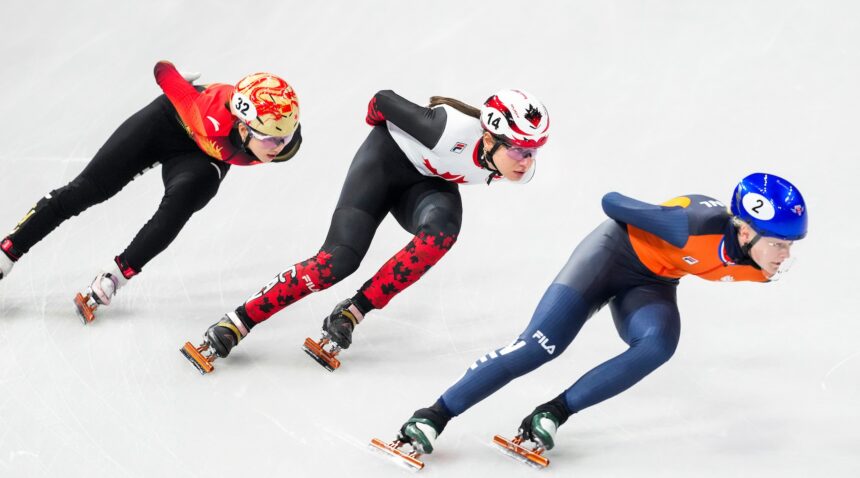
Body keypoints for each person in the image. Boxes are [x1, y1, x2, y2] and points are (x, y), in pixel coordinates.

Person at [385, 173, 807, 462]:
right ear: (746, 231)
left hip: (653, 283)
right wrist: (660, 222)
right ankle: (432, 415)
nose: (785, 256)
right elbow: (612, 203)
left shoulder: (758, 265)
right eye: (780, 244)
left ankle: (549, 414)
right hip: (609, 256)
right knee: (539, 346)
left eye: (790, 246)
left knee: (658, 345)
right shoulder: (691, 225)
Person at [183, 88, 551, 372]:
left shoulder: (514, 164)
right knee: (337, 262)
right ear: (488, 139)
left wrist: (514, 154)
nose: (528, 161)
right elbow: (382, 101)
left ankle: (351, 312)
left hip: (426, 183)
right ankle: (239, 321)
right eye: (521, 150)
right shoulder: (446, 129)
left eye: (534, 151)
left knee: (441, 236)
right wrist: (388, 138)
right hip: (383, 164)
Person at [0, 61, 302, 323]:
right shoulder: (205, 113)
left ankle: (115, 276)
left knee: (184, 201)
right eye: (273, 141)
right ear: (244, 128)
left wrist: (280, 137)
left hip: (201, 158)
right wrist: (176, 79)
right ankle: (6, 253)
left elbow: (282, 135)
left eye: (286, 137)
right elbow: (162, 70)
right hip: (168, 123)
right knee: (87, 190)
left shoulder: (283, 134)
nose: (282, 147)